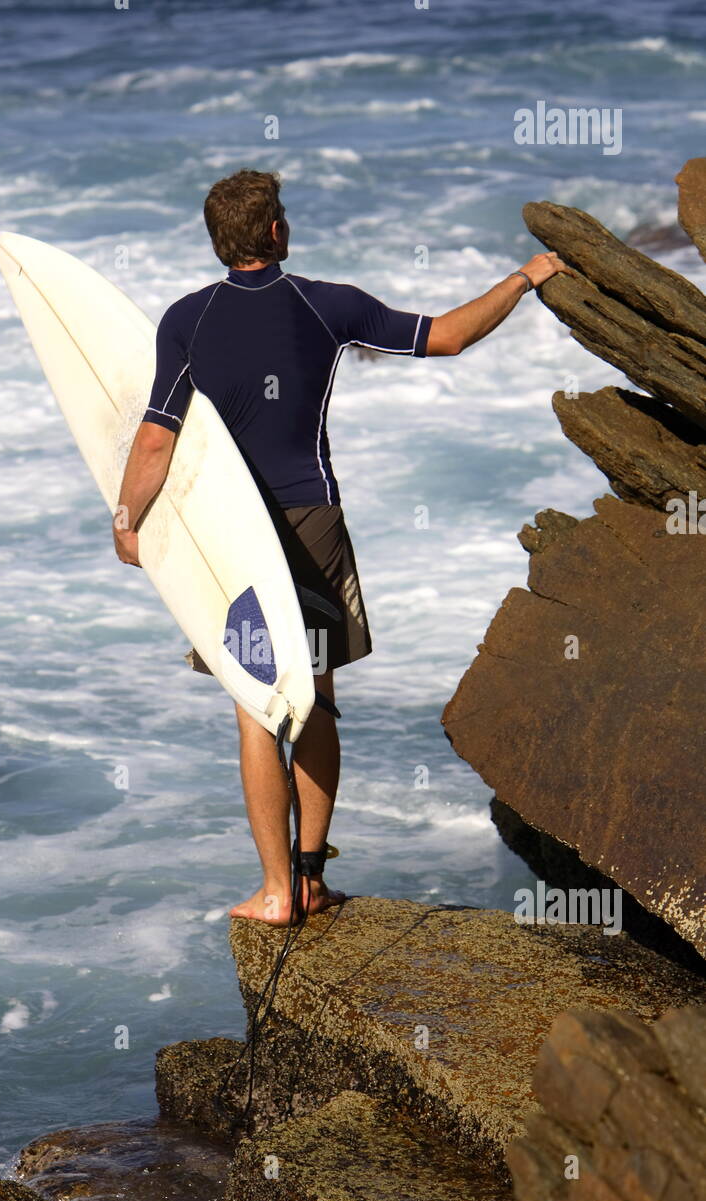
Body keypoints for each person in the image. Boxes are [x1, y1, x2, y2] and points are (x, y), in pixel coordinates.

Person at [113, 168, 571, 924]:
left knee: (258, 709)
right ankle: (311, 878)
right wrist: (524, 277)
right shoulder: (325, 305)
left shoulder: (185, 321)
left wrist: (128, 518)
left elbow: (157, 437)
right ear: (277, 233)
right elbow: (446, 336)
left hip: (233, 537)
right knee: (316, 698)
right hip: (313, 525)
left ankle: (273, 893)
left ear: (217, 240)